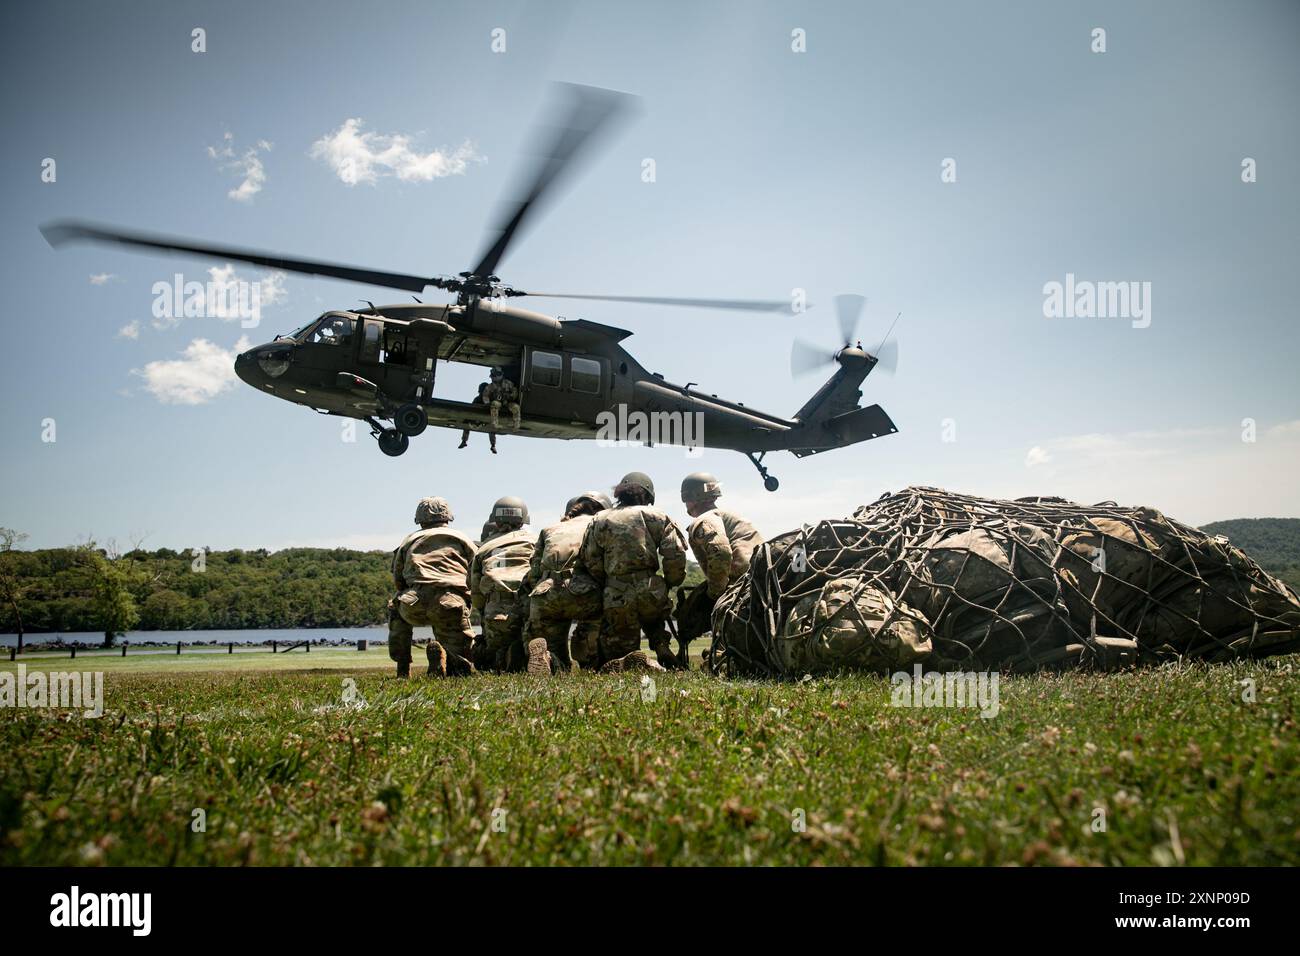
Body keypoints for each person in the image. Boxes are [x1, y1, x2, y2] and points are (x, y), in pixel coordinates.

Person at [576, 472, 687, 670]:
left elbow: (590, 558)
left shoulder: (600, 519)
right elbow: (675, 554)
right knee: (653, 616)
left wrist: (607, 581)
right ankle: (661, 645)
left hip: (617, 591)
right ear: (647, 495)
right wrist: (670, 582)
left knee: (619, 649)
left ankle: (635, 663)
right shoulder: (658, 516)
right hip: (651, 590)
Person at [522, 491, 612, 674]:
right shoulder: (599, 525)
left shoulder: (550, 529)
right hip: (584, 589)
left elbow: (534, 572)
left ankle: (550, 660)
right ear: (601, 510)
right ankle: (590, 661)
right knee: (596, 624)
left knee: (551, 643)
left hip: (545, 593)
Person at [387, 497, 478, 677]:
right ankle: (453, 662)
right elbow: (476, 571)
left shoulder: (409, 540)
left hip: (414, 603)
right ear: (448, 516)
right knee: (461, 666)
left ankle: (403, 668)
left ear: (419, 519)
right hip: (450, 602)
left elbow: (398, 579)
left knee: (395, 608)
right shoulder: (462, 538)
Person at [677, 472, 764, 657]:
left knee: (697, 608)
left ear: (692, 497)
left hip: (742, 581)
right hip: (757, 578)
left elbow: (721, 552)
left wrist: (715, 592)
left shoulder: (705, 519)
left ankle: (722, 653)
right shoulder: (725, 515)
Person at [470, 496, 537, 672]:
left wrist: (484, 610)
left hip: (498, 609)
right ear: (523, 520)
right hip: (531, 606)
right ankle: (536, 656)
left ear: (495, 521)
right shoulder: (534, 541)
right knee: (536, 641)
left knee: (492, 660)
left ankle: (503, 657)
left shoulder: (485, 548)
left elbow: (476, 590)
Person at [458, 382, 496, 453]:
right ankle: (464, 441)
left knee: (492, 429)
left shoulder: (489, 399)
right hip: (476, 419)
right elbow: (471, 410)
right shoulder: (478, 399)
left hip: (485, 420)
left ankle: (493, 445)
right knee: (466, 426)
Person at [485, 367, 522, 431]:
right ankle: (495, 423)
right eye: (493, 376)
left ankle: (516, 425)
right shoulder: (491, 386)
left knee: (516, 407)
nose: (494, 377)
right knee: (494, 404)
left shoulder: (508, 383)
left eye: (496, 375)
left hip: (508, 402)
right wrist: (487, 403)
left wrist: (511, 396)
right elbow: (485, 395)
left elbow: (515, 391)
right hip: (498, 402)